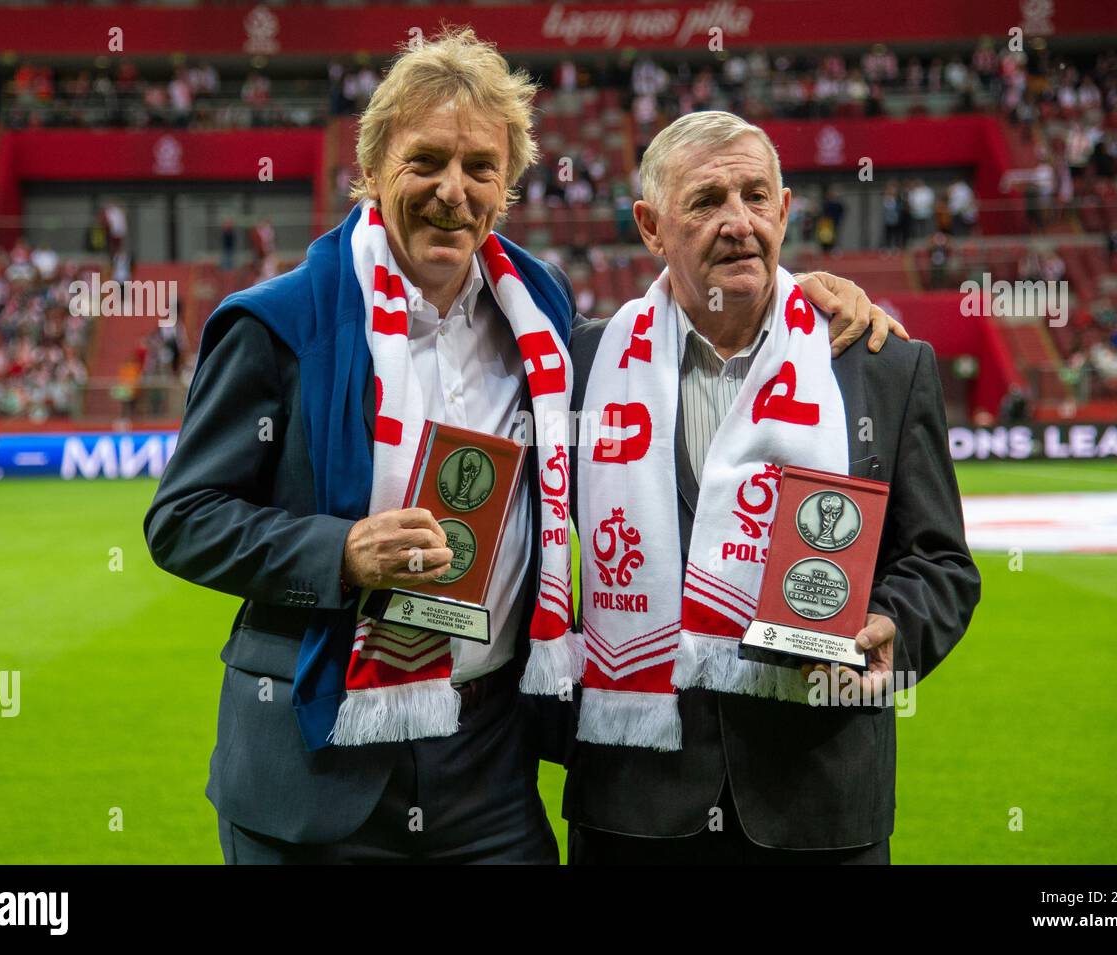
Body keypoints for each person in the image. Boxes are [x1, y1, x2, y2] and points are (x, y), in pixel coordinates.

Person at [145, 31, 900, 866]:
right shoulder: (279, 324)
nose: (451, 192)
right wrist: (343, 552)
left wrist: (802, 297)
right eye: (425, 161)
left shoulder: (540, 317)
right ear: (370, 170)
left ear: (506, 185)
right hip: (317, 765)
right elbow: (182, 518)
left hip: (487, 772)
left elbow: (689, 328)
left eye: (479, 168)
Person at [564, 111, 980, 864]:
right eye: (706, 200)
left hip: (819, 799)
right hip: (633, 803)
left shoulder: (881, 366)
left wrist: (893, 626)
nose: (738, 222)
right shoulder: (585, 365)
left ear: (786, 212)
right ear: (651, 227)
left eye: (757, 196)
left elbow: (942, 564)